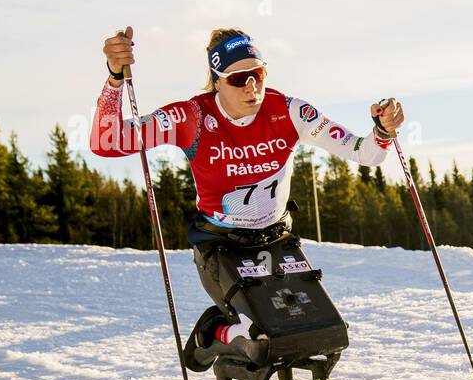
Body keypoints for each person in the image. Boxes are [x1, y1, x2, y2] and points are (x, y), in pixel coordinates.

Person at [90, 25, 404, 360]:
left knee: (323, 332)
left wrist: (383, 130)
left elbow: (364, 152)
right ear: (217, 80)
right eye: (238, 79)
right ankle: (211, 335)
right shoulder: (191, 116)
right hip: (221, 244)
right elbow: (108, 143)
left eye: (258, 74)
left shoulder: (290, 110)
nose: (251, 86)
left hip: (275, 237)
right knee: (260, 340)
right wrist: (114, 80)